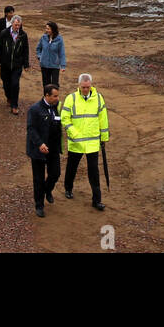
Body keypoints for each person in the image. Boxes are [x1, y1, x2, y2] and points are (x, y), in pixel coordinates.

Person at [60, 73, 108, 210]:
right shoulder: (71, 99)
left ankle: (97, 200)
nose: (86, 89)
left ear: (91, 85)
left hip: (92, 143)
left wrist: (103, 138)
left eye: (88, 87)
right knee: (72, 167)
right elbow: (65, 119)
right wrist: (73, 134)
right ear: (79, 86)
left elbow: (102, 119)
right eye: (83, 87)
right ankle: (68, 188)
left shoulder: (98, 99)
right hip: (76, 142)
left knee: (94, 172)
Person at [26, 85, 63, 217]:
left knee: (55, 173)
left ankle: (47, 190)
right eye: (55, 96)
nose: (57, 98)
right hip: (38, 151)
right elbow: (30, 129)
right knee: (38, 179)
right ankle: (39, 205)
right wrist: (39, 143)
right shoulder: (35, 109)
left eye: (57, 95)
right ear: (47, 96)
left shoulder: (56, 107)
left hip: (53, 148)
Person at [0, 14, 29, 114]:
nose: (17, 27)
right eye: (15, 25)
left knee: (15, 84)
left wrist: (26, 64)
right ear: (12, 24)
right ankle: (9, 97)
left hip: (17, 65)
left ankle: (14, 105)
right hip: (5, 64)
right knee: (6, 83)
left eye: (19, 25)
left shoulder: (23, 35)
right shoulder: (4, 33)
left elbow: (25, 50)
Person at [37, 21, 66, 89]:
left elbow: (62, 53)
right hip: (44, 65)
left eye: (48, 29)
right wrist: (40, 57)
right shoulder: (43, 38)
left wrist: (63, 65)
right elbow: (38, 49)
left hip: (55, 65)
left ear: (53, 29)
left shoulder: (59, 39)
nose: (46, 30)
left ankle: (54, 99)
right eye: (46, 28)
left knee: (54, 85)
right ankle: (46, 99)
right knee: (46, 85)